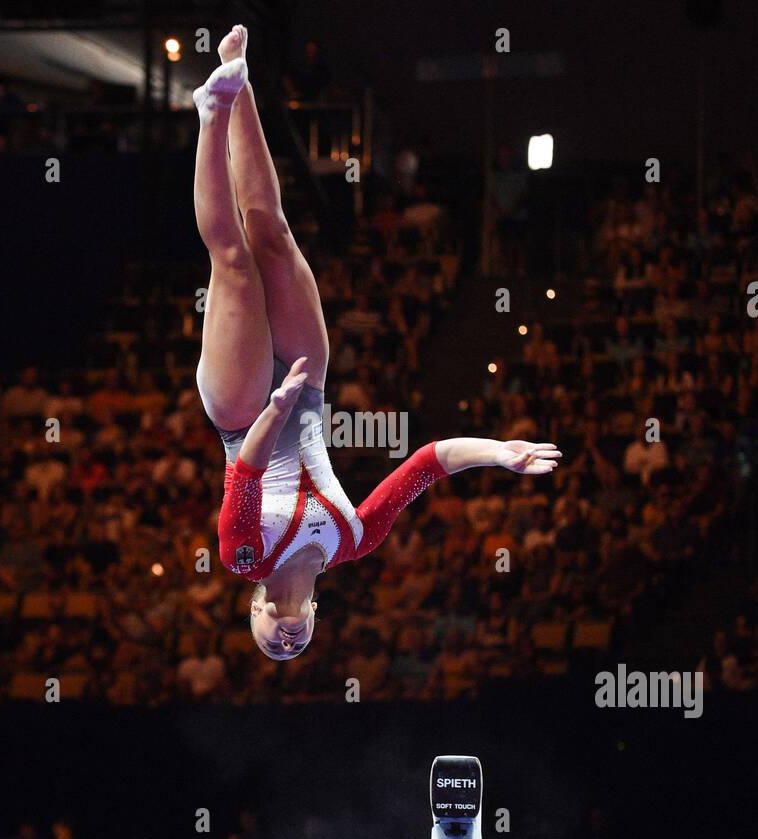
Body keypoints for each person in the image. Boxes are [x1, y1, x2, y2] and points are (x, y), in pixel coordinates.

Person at [192, 26, 560, 660]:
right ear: (315, 615)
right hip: (305, 395)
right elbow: (427, 464)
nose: (284, 641)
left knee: (234, 261)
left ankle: (212, 112)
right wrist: (500, 453)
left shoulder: (242, 556)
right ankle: (241, 79)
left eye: (268, 642)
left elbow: (248, 471)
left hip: (243, 412)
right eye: (294, 647)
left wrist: (275, 407)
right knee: (275, 235)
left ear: (254, 608)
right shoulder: (353, 539)